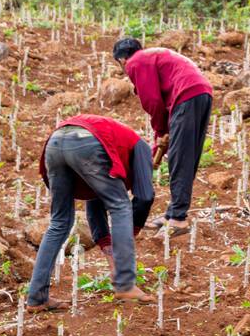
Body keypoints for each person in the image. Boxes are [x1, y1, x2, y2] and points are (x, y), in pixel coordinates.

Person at [27, 115, 154, 311]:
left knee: (59, 222)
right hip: (87, 141)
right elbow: (145, 197)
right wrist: (129, 235)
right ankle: (126, 284)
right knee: (121, 206)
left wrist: (111, 250)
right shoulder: (143, 149)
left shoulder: (114, 152)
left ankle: (37, 296)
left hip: (55, 142)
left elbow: (94, 205)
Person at [113, 38, 213, 236]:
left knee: (180, 158)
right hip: (202, 93)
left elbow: (152, 101)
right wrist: (163, 135)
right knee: (186, 157)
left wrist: (160, 131)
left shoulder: (135, 62)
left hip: (186, 95)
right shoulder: (153, 55)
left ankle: (178, 219)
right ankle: (173, 213)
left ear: (122, 60)